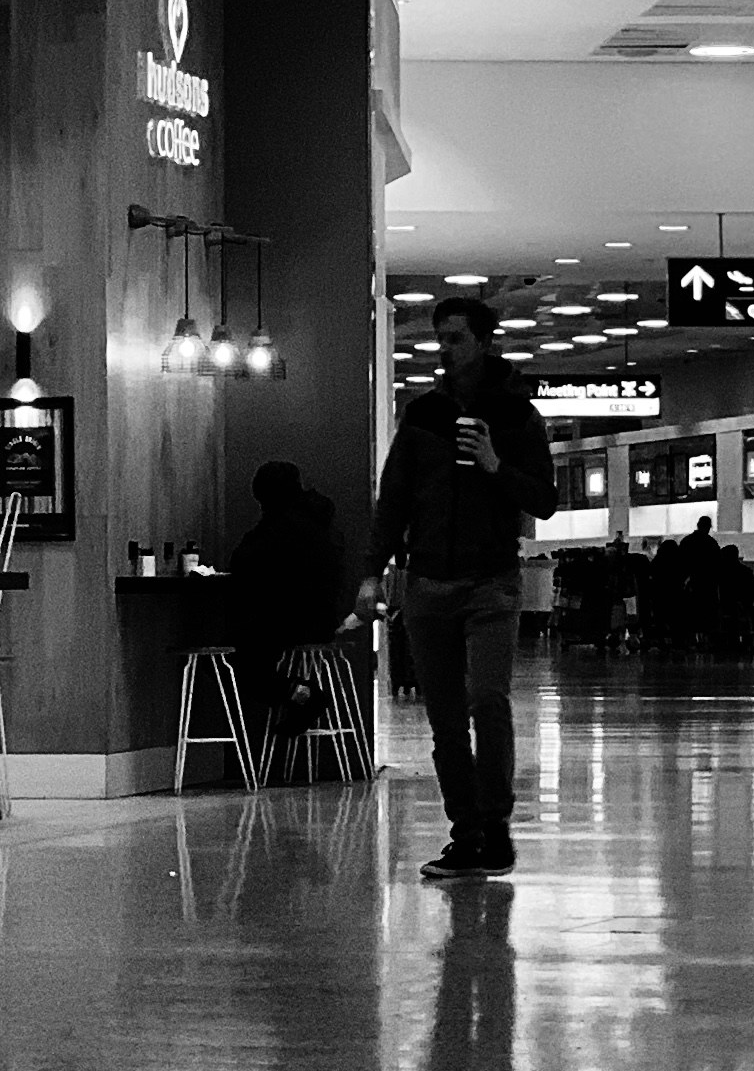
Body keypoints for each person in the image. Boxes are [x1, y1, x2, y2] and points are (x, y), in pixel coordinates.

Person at [369, 296, 552, 882]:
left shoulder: (520, 417)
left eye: (454, 339)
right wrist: (373, 570)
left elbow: (544, 501)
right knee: (444, 718)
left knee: (488, 702)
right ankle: (464, 833)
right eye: (439, 340)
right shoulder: (422, 416)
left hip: (491, 582)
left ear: (483, 341)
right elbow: (393, 497)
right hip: (426, 584)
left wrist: (498, 467)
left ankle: (494, 829)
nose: (444, 350)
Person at [222, 460, 360, 746]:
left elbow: (244, 560)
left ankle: (304, 693)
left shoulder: (280, 525)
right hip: (321, 619)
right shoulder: (316, 520)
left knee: (238, 658)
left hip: (291, 621)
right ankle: (300, 694)